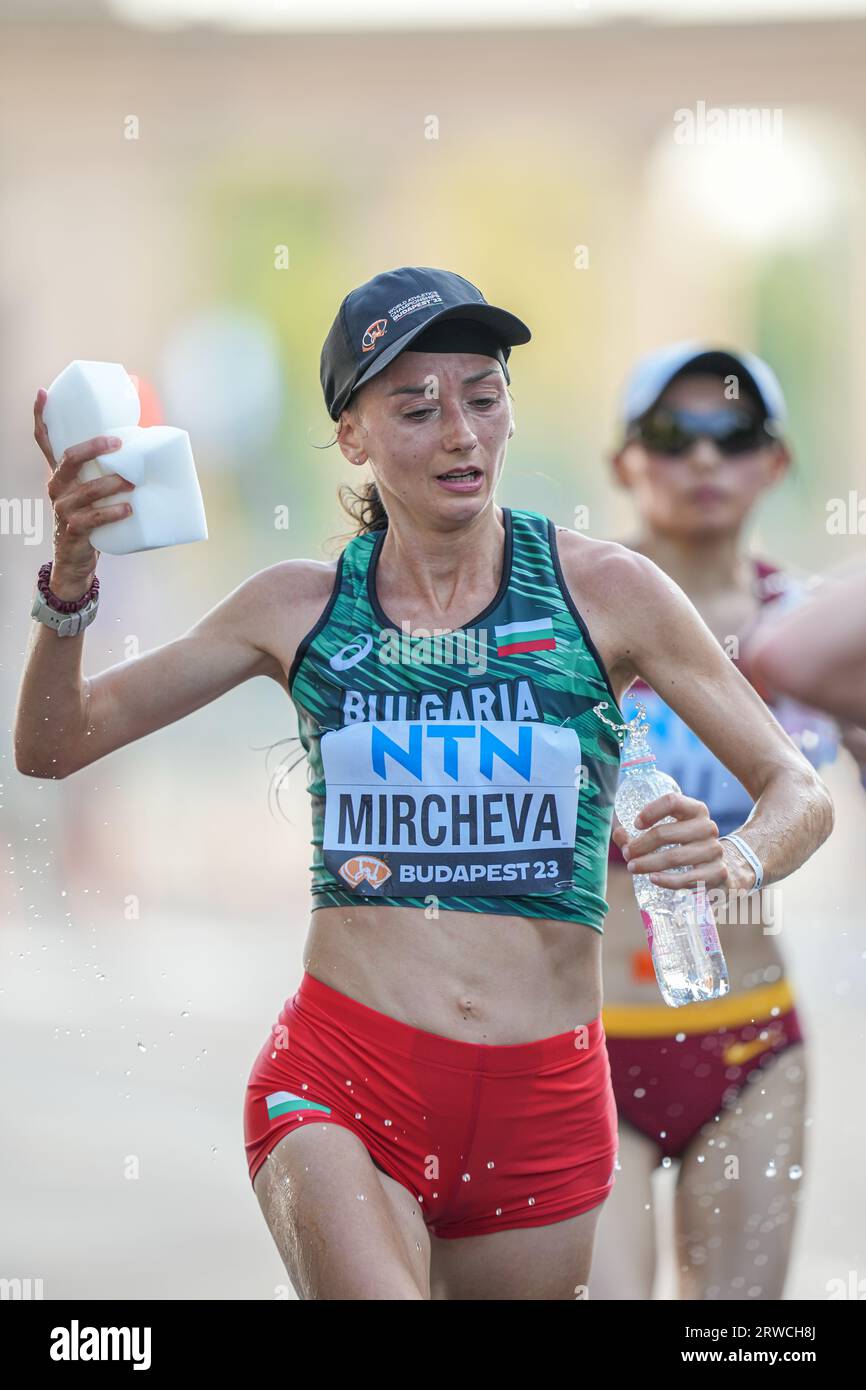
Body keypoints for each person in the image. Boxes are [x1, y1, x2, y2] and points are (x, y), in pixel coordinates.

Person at [16, 272, 833, 1302]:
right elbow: (55, 744)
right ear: (351, 434)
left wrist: (734, 857)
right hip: (344, 1083)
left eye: (482, 397)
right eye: (414, 406)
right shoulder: (297, 607)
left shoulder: (603, 591)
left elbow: (795, 788)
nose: (459, 432)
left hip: (544, 1100)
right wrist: (72, 577)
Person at [591, 342, 858, 1302]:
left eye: (733, 434)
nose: (703, 459)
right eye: (671, 436)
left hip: (749, 1043)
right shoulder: (567, 619)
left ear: (775, 462)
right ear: (624, 462)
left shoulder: (817, 637)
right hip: (582, 1040)